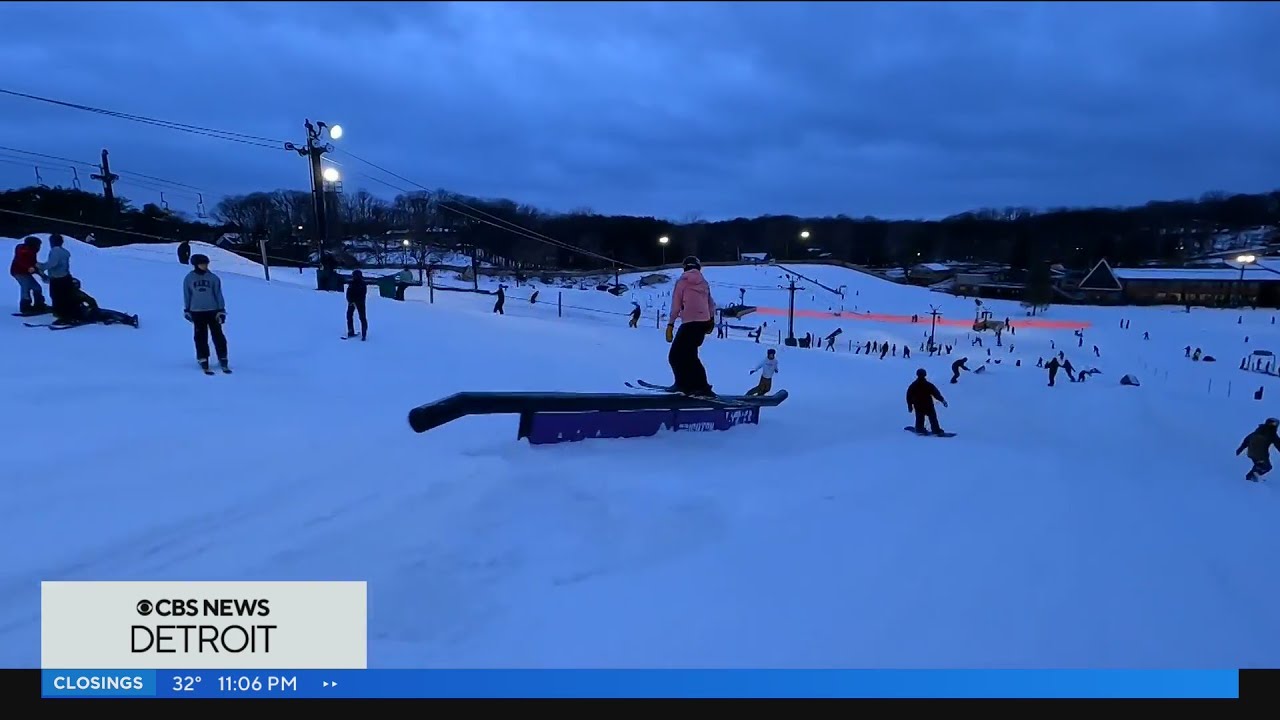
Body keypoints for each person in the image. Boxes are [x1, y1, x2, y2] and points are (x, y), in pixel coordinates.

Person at [666, 256, 717, 397]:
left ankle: (691, 385)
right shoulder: (704, 283)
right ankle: (695, 386)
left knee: (675, 356)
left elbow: (676, 305)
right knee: (690, 354)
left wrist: (670, 324)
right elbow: (711, 303)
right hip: (703, 322)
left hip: (690, 322)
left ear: (685, 267)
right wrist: (711, 320)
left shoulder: (682, 282)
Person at [183, 254, 230, 373]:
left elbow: (218, 294)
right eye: (202, 264)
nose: (204, 266)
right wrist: (187, 310)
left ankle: (223, 357)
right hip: (197, 311)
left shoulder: (213, 278)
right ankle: (203, 357)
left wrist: (221, 310)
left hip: (213, 311)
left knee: (218, 335)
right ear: (195, 265)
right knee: (200, 336)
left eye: (206, 264)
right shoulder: (189, 278)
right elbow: (187, 294)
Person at [67, 278, 138, 327]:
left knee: (104, 313)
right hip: (83, 315)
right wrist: (93, 309)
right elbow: (91, 300)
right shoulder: (77, 293)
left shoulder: (64, 293)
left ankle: (125, 318)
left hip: (77, 313)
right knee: (107, 313)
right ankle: (129, 320)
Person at [10, 235, 47, 315]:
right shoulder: (23, 251)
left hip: (25, 272)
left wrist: (41, 274)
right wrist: (30, 267)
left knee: (36, 287)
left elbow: (33, 264)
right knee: (26, 287)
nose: (39, 248)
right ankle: (25, 306)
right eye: (38, 246)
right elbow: (21, 260)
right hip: (18, 272)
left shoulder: (31, 251)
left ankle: (39, 304)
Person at [43, 234, 75, 323]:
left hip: (57, 278)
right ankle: (66, 311)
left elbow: (52, 264)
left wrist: (40, 266)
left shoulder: (55, 251)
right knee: (65, 295)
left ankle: (60, 313)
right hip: (66, 277)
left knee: (56, 295)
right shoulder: (65, 252)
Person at [906, 368, 949, 435]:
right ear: (925, 375)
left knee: (919, 417)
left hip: (918, 405)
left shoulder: (913, 385)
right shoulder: (928, 385)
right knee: (933, 418)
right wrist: (942, 400)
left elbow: (908, 396)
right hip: (928, 405)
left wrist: (910, 406)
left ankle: (919, 429)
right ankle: (936, 430)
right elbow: (936, 393)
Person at [346, 269, 368, 340]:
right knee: (349, 316)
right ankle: (350, 331)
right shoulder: (352, 283)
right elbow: (348, 293)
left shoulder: (362, 284)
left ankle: (364, 334)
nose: (354, 277)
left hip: (360, 302)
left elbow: (363, 294)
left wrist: (355, 301)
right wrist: (350, 301)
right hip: (352, 302)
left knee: (362, 317)